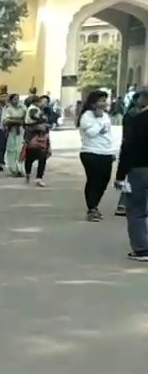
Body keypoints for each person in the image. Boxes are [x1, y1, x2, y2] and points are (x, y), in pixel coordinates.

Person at [114, 91, 148, 261]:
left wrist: (120, 175)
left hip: (140, 168)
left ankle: (142, 249)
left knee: (136, 210)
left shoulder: (138, 120)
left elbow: (127, 147)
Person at [77, 90, 117, 221]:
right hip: (91, 152)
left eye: (105, 100)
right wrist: (99, 120)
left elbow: (108, 135)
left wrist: (112, 151)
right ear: (93, 103)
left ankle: (95, 205)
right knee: (94, 181)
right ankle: (92, 208)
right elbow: (91, 133)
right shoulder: (87, 116)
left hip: (106, 152)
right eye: (100, 100)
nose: (103, 103)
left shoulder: (106, 116)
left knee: (104, 181)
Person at [23, 95, 52, 186]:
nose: (43, 104)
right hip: (32, 136)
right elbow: (34, 117)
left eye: (46, 102)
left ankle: (39, 178)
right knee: (30, 157)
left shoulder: (44, 110)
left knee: (42, 157)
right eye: (41, 101)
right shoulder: (33, 109)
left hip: (42, 137)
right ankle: (28, 173)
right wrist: (42, 119)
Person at [1, 93, 27, 177]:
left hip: (21, 130)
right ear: (11, 100)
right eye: (15, 99)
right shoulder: (7, 108)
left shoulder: (22, 107)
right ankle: (13, 169)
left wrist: (18, 120)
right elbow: (5, 120)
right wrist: (16, 121)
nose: (16, 101)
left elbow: (26, 118)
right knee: (11, 150)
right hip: (11, 131)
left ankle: (20, 169)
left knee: (20, 150)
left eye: (18, 99)